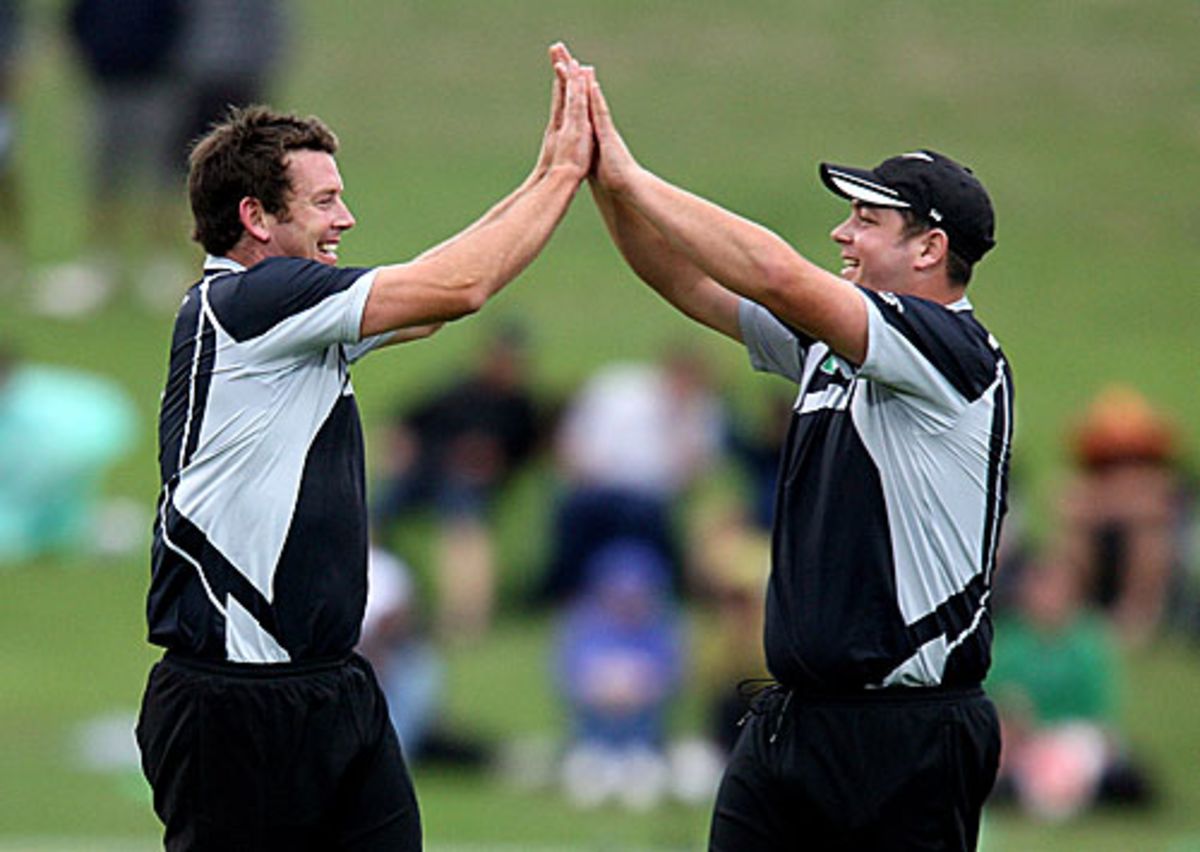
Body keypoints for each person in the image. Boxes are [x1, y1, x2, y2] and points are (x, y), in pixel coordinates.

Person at [135, 45, 593, 851]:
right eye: (324, 201)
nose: (344, 219)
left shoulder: (288, 314)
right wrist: (563, 177)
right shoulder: (251, 302)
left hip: (331, 688)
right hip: (233, 705)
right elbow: (459, 287)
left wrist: (544, 172)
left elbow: (431, 298)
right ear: (255, 217)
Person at [573, 45, 1013, 851]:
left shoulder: (955, 351)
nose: (841, 234)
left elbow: (776, 275)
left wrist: (637, 177)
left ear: (929, 249)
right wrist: (600, 179)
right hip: (792, 722)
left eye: (867, 221)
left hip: (905, 735)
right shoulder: (836, 344)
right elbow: (686, 282)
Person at [372, 323, 542, 641]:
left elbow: (528, 453)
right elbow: (405, 422)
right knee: (372, 516)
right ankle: (376, 601)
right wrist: (400, 451)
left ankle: (464, 616)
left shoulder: (520, 408)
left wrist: (493, 465)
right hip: (424, 475)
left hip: (471, 486)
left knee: (463, 524)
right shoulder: (460, 391)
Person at [534, 346, 725, 603]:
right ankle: (566, 588)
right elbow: (575, 444)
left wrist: (681, 424)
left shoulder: (702, 412)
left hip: (653, 495)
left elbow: (695, 471)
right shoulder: (619, 390)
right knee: (577, 513)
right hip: (598, 484)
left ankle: (655, 587)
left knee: (643, 516)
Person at [987, 557, 1154, 820]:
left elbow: (1099, 717)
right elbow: (992, 704)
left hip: (1074, 735)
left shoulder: (1088, 643)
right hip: (1024, 741)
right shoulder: (1008, 642)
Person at [1052, 384, 1189, 645]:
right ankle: (1070, 611)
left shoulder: (1166, 483)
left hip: (1161, 586)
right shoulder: (1087, 483)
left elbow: (1159, 507)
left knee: (1149, 538)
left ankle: (1136, 621)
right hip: (1099, 569)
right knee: (1073, 538)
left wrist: (1111, 505)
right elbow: (1066, 503)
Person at [555, 538, 686, 811]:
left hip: (645, 744)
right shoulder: (581, 627)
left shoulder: (663, 629)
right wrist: (605, 689)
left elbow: (672, 681)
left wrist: (640, 689)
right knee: (587, 786)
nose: (628, 602)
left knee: (645, 786)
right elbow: (571, 682)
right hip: (592, 743)